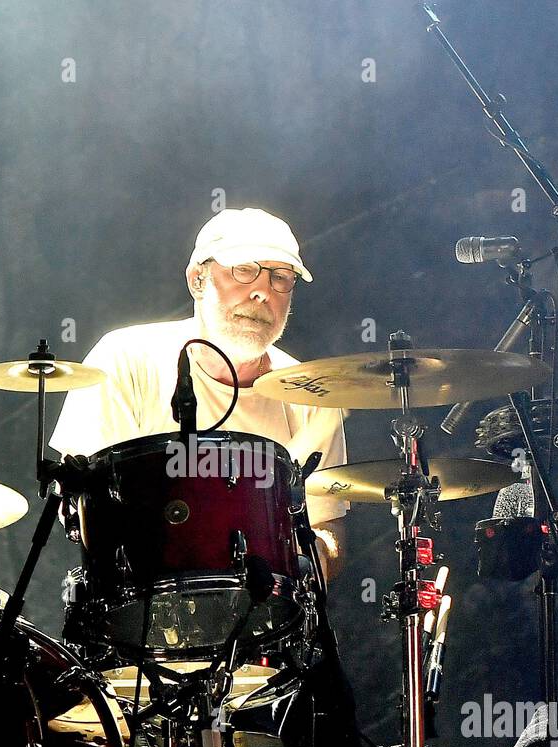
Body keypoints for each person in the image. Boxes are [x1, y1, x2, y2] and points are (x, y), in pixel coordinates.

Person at [48, 206, 349, 581]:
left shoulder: (311, 392)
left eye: (281, 278)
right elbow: (88, 510)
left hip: (264, 624)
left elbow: (327, 526)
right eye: (244, 270)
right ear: (197, 280)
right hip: (143, 610)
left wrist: (310, 561)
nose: (261, 292)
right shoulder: (125, 358)